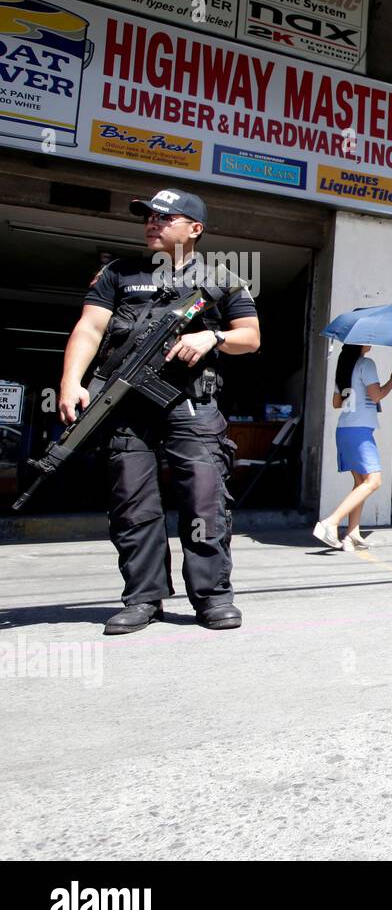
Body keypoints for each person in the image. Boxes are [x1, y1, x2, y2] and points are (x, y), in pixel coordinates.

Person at [58, 187, 260, 634]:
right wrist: (71, 382)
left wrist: (214, 338)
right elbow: (90, 328)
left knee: (204, 500)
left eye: (165, 218)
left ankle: (212, 597)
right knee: (132, 503)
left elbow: (251, 336)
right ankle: (144, 598)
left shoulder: (222, 279)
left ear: (194, 228)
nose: (153, 222)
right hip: (128, 406)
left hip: (192, 404)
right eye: (149, 216)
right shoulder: (119, 274)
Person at [314, 344, 392, 550]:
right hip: (359, 430)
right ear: (360, 343)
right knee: (374, 480)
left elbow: (336, 403)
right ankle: (330, 523)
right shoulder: (366, 364)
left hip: (345, 429)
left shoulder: (344, 366)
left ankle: (352, 533)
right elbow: (377, 395)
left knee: (360, 481)